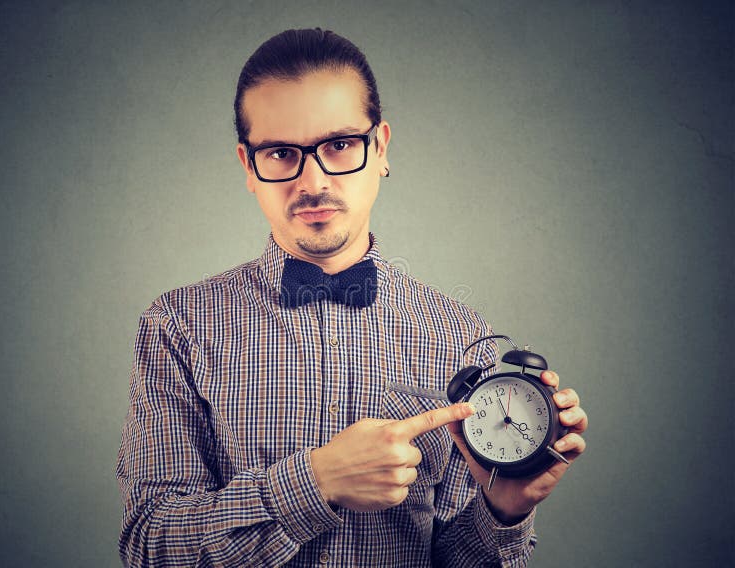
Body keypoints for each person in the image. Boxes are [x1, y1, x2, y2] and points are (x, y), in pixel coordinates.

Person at [116, 28, 588, 567]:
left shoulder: (461, 336)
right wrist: (315, 483)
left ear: (380, 148)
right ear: (249, 167)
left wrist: (503, 509)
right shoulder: (176, 326)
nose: (312, 181)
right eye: (280, 153)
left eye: (339, 145)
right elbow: (149, 547)